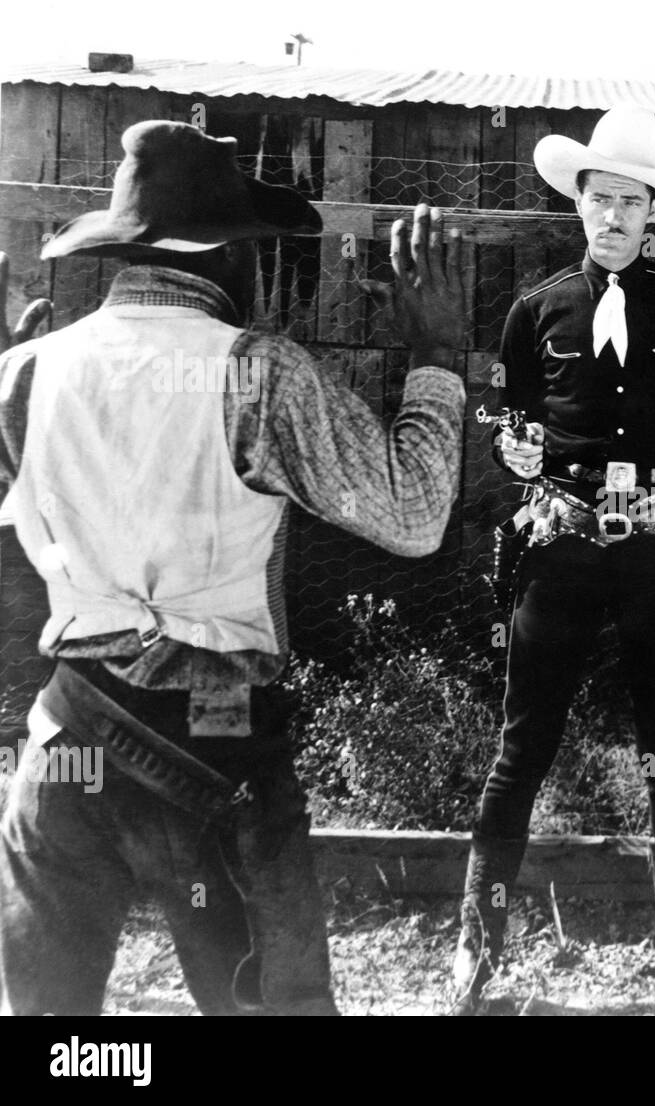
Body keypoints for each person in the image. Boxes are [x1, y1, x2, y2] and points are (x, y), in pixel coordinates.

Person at [0, 120, 468, 1015]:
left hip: (65, 745)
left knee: (52, 1027)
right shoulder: (257, 374)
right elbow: (412, 517)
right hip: (216, 731)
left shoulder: (28, 372)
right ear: (229, 257)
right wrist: (437, 359)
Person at [452, 105, 655, 1013]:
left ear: (653, 212)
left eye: (631, 202)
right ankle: (477, 945)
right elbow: (511, 429)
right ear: (576, 204)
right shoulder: (534, 312)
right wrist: (514, 454)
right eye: (599, 200)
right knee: (523, 743)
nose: (613, 218)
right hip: (561, 542)